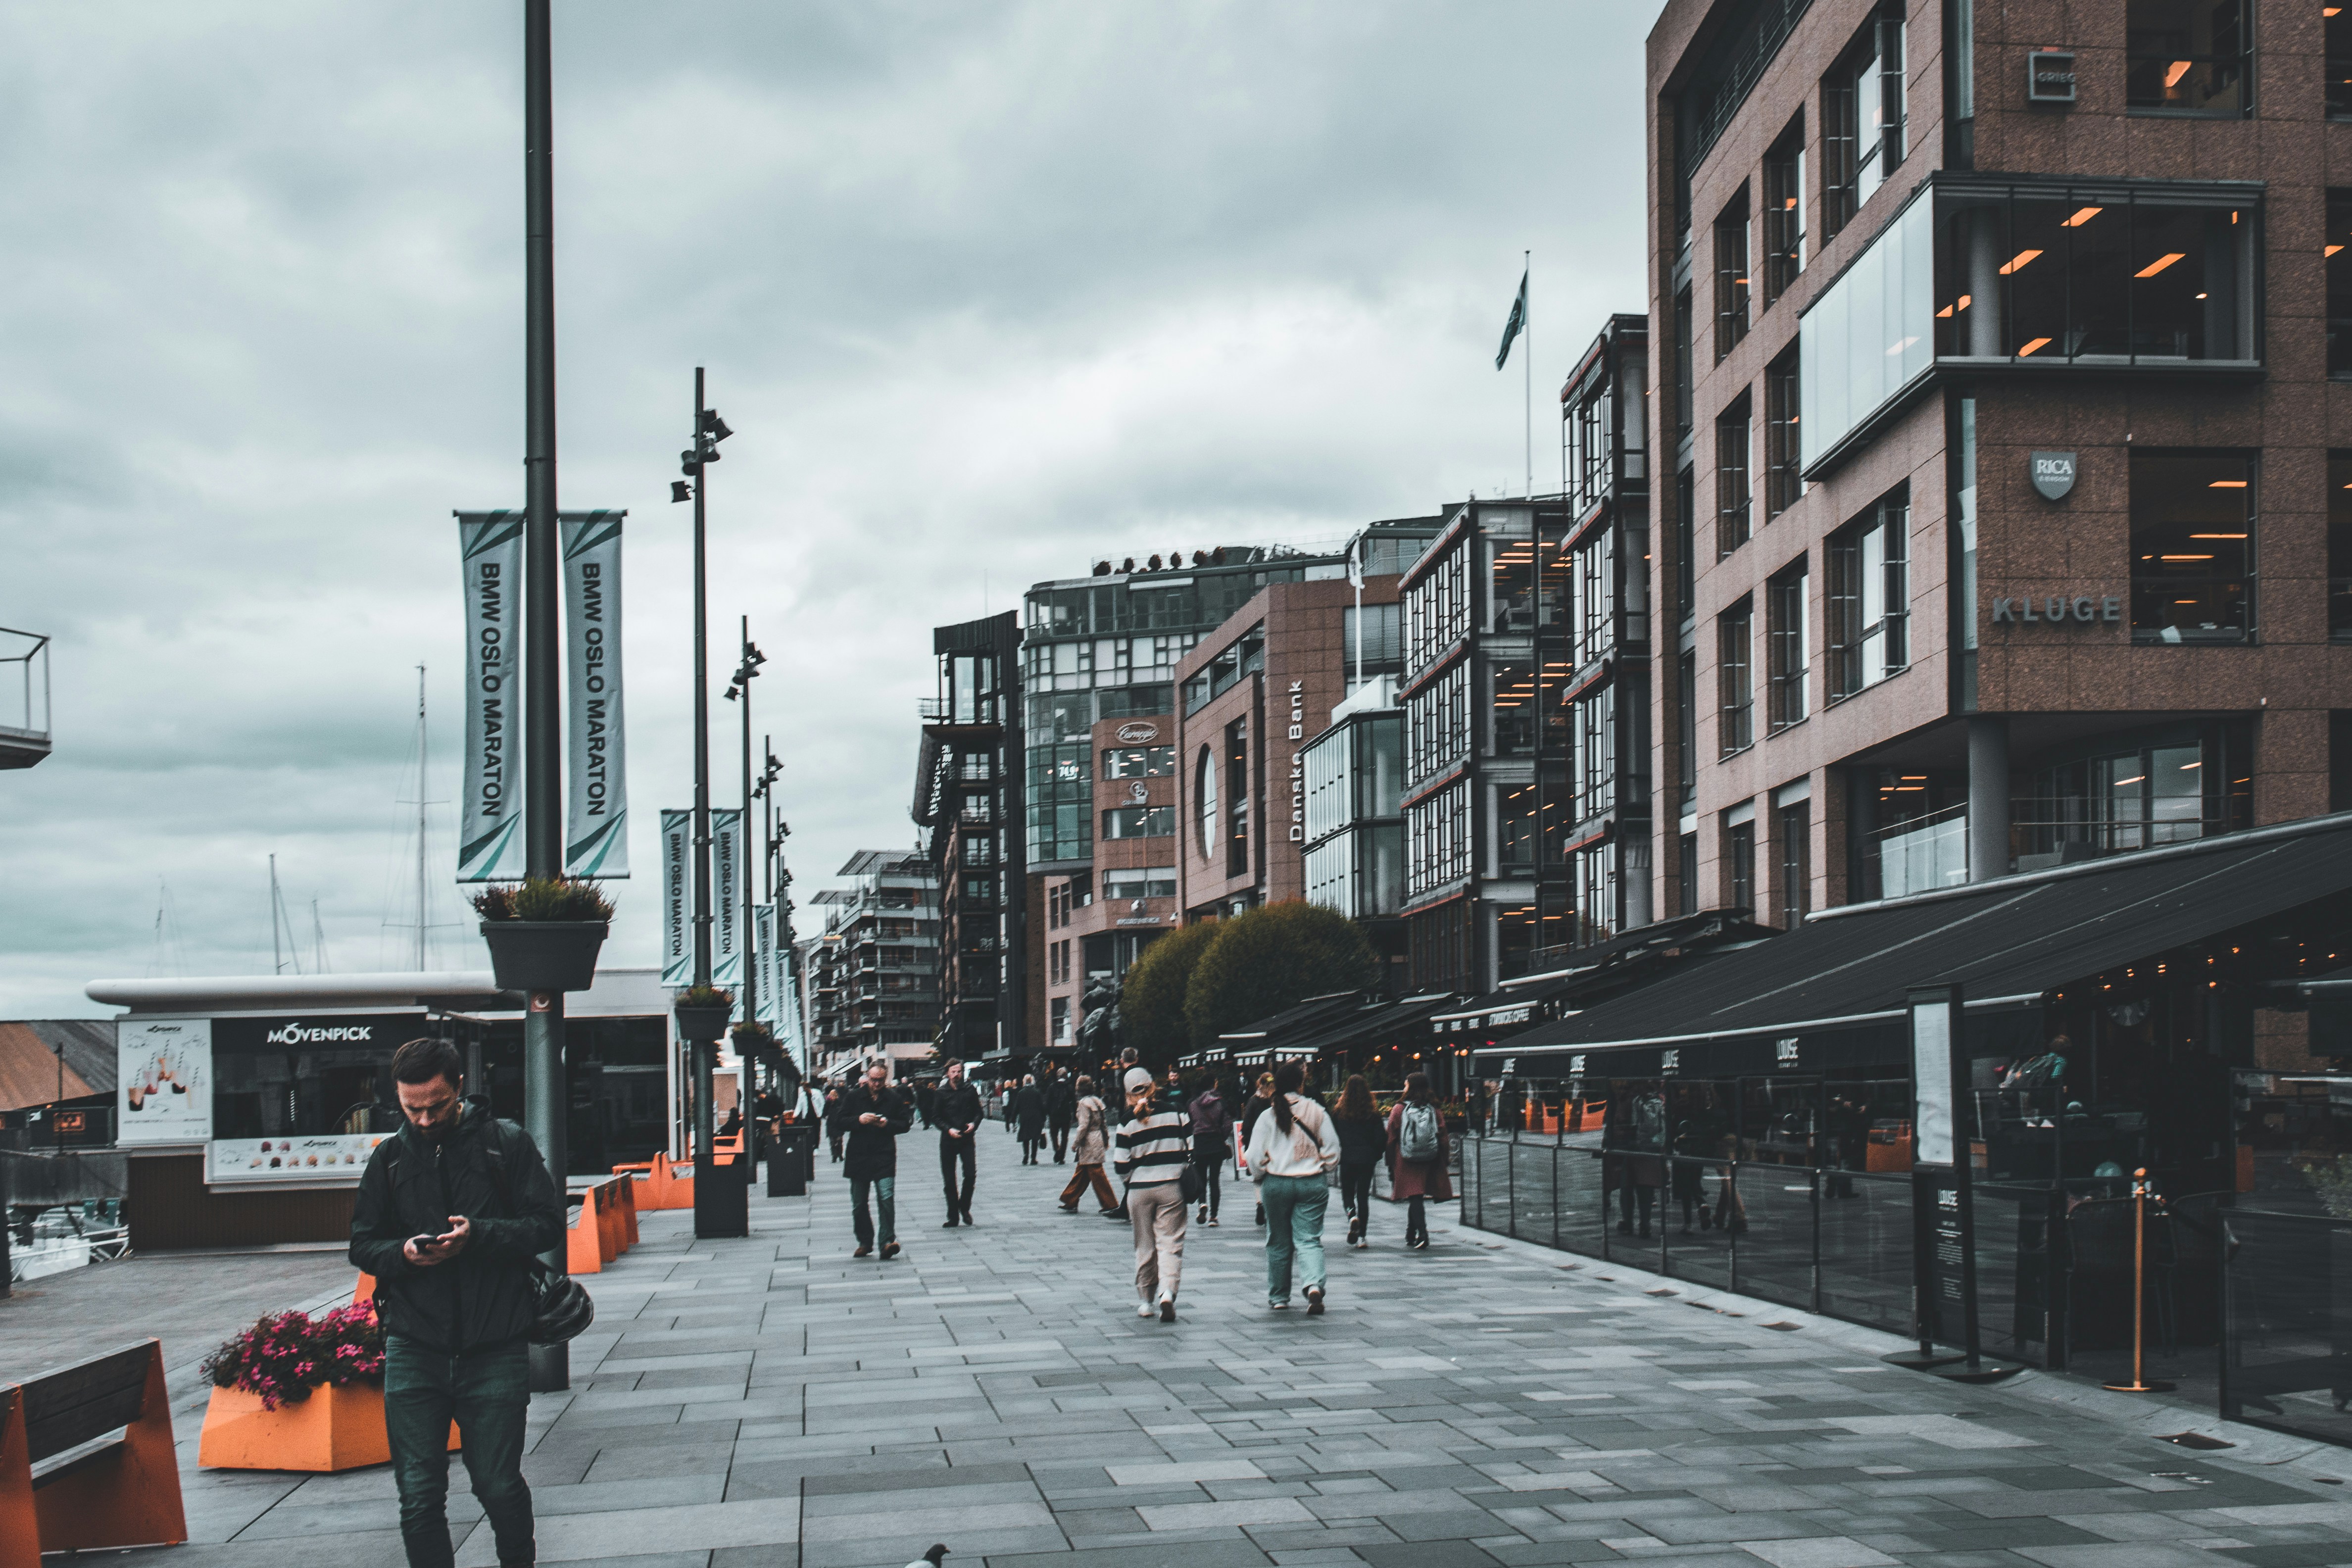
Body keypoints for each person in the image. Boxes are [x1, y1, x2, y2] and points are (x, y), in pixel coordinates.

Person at [350, 1036, 564, 1568]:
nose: (424, 1119)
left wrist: (481, 1235)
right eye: (411, 1107)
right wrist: (401, 1252)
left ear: (460, 1087)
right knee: (419, 1497)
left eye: (437, 1106)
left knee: (496, 1485)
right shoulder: (389, 1159)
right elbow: (362, 1243)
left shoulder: (505, 1144)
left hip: (495, 1346)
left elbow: (547, 1224)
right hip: (414, 1346)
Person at [1245, 1059, 1341, 1314]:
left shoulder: (1268, 1115)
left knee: (1278, 1241)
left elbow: (1253, 1156)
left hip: (1277, 1183)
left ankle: (1279, 1297)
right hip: (1312, 1182)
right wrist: (1324, 1167)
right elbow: (1333, 1150)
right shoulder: (1318, 1111)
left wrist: (1261, 1172)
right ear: (1301, 1084)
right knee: (1309, 1239)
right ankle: (1313, 1286)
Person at [1113, 1066, 1190, 1322]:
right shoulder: (1177, 1112)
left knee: (1144, 1246)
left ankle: (1146, 1302)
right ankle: (1167, 1292)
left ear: (1128, 1094)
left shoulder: (1126, 1122)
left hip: (1139, 1190)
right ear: (1153, 1085)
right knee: (1170, 1243)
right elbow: (1191, 1146)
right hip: (1172, 1186)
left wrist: (1134, 1180)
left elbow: (1121, 1166)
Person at [841, 1060, 911, 1259]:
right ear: (867, 1076)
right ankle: (865, 1241)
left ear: (886, 1078)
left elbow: (905, 1123)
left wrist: (887, 1124)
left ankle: (887, 1242)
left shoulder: (894, 1098)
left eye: (880, 1080)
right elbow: (839, 1120)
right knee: (859, 1204)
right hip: (859, 1157)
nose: (876, 1084)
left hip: (884, 1156)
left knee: (886, 1199)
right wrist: (859, 1120)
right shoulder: (854, 1097)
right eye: (873, 1080)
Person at [1385, 1070, 1452, 1250]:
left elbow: (1391, 1135)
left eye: (1406, 1084)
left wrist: (1389, 1160)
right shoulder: (1433, 1108)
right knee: (1417, 1195)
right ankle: (1410, 1232)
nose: (1404, 1087)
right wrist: (1445, 1158)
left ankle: (1423, 1235)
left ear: (1411, 1086)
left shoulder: (1399, 1109)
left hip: (1406, 1158)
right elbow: (1443, 1135)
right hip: (1429, 1157)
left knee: (1415, 1196)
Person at [1331, 1074, 1387, 1249]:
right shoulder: (1373, 1114)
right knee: (1363, 1196)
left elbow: (1332, 1137)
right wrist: (1375, 1155)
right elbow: (1381, 1139)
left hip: (1347, 1158)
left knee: (1348, 1193)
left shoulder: (1339, 1113)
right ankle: (1363, 1236)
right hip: (1366, 1159)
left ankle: (1351, 1215)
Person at [1059, 1075, 1119, 1214]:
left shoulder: (1083, 1104)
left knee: (1096, 1172)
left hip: (1088, 1141)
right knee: (1083, 1171)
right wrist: (1106, 1139)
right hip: (1098, 1138)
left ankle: (1110, 1203)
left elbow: (1083, 1126)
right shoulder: (1097, 1101)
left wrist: (1076, 1143)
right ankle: (1070, 1199)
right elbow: (1104, 1124)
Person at [933, 1057, 981, 1227]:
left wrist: (974, 1124)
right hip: (948, 1140)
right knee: (949, 1180)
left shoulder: (970, 1089)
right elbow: (936, 1117)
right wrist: (947, 1129)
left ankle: (965, 1207)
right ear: (947, 1073)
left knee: (970, 1175)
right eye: (953, 1072)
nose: (957, 1075)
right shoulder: (941, 1092)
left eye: (959, 1071)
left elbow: (979, 1112)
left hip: (967, 1138)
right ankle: (953, 1215)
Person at [1186, 1078, 1233, 1227]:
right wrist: (1222, 1137)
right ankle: (1214, 1217)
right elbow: (1227, 1124)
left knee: (1201, 1179)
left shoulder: (1192, 1104)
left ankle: (1202, 1204)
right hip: (1216, 1144)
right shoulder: (1220, 1103)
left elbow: (1188, 1125)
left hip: (1199, 1144)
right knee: (1214, 1181)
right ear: (1213, 1085)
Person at [1241, 1071, 1277, 1226]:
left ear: (1259, 1084)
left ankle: (1260, 1203)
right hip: (1274, 1144)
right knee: (1273, 1176)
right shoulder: (1276, 1101)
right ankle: (1271, 1207)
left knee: (1258, 1177)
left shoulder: (1253, 1102)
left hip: (1256, 1144)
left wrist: (1246, 1144)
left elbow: (1247, 1125)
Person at [1044, 1067, 1076, 1164]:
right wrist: (1075, 1115)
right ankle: (1062, 1155)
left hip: (1054, 1115)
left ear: (1058, 1076)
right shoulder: (1069, 1087)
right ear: (1066, 1076)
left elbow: (1048, 1102)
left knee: (1054, 1134)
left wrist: (1047, 1114)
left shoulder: (1051, 1087)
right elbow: (1074, 1102)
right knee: (1065, 1136)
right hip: (1066, 1115)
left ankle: (1057, 1149)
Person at [1014, 1074, 1047, 1165]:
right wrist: (1044, 1118)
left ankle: (1026, 1155)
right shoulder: (1037, 1092)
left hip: (1024, 1117)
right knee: (1035, 1138)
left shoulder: (1021, 1093)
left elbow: (1017, 1107)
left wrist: (1013, 1119)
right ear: (1033, 1081)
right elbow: (1042, 1106)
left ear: (1024, 1082)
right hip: (1036, 1118)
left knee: (1026, 1137)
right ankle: (1033, 1158)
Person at [824, 1083, 846, 1163]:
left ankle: (839, 1155)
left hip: (838, 1123)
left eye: (833, 1095)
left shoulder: (839, 1102)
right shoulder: (828, 1103)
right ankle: (835, 1156)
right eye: (831, 1095)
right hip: (832, 1124)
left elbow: (843, 1111)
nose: (832, 1097)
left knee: (838, 1141)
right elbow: (824, 1113)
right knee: (833, 1142)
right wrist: (826, 1116)